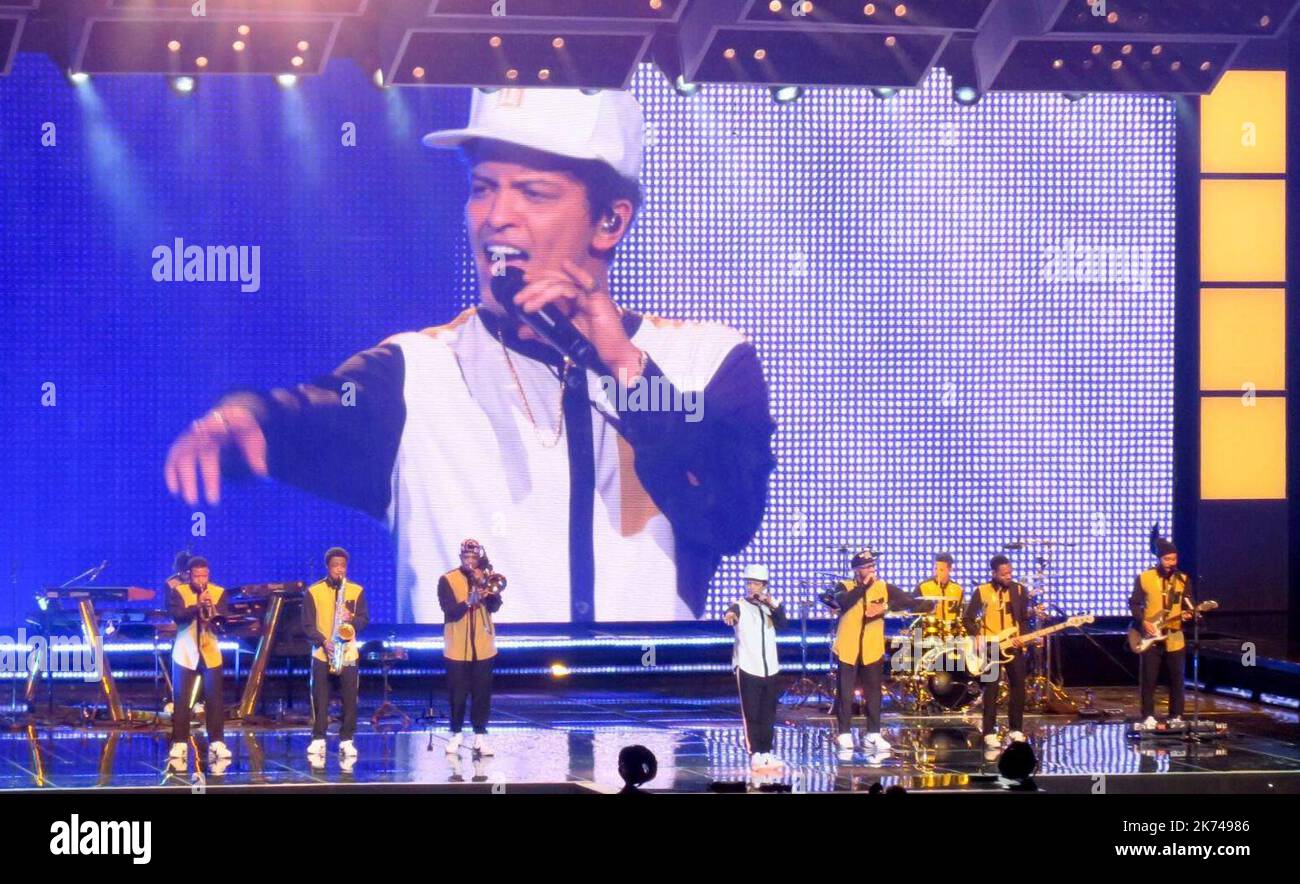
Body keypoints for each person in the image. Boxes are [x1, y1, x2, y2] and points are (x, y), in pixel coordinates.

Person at [163, 87, 775, 624]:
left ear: (611, 222)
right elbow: (297, 416)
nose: (496, 218)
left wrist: (621, 361)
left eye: (533, 193)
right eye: (483, 190)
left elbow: (727, 510)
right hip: (465, 741)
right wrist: (240, 418)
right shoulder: (415, 372)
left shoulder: (707, 359)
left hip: (649, 746)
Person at [831, 550, 934, 755]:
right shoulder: (845, 586)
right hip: (848, 647)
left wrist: (885, 607)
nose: (872, 570)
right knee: (845, 691)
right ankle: (844, 732)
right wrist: (863, 587)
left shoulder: (883, 587)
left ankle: (873, 733)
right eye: (867, 567)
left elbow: (910, 601)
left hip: (872, 647)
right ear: (857, 570)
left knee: (874, 692)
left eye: (872, 566)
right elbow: (843, 602)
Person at [302, 547, 369, 760]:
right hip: (322, 652)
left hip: (348, 652)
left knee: (350, 698)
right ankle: (319, 738)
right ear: (328, 567)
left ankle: (347, 739)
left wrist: (352, 620)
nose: (339, 569)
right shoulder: (314, 591)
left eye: (342, 565)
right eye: (335, 566)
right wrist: (323, 641)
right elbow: (307, 625)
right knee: (320, 698)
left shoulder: (356, 590)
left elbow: (364, 619)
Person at [439, 539, 503, 755]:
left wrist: (485, 589)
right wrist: (468, 601)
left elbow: (495, 607)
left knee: (482, 694)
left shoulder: (485, 578)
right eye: (466, 557)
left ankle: (480, 736)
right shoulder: (447, 579)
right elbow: (449, 611)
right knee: (457, 695)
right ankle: (456, 734)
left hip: (483, 646)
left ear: (479, 560)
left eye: (474, 558)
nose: (470, 561)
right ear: (461, 558)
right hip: (457, 647)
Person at [166, 557, 232, 764]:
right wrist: (197, 606)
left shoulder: (219, 592)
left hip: (210, 650)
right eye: (197, 576)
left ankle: (217, 742)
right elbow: (177, 616)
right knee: (182, 700)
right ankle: (179, 742)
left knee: (214, 699)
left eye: (204, 575)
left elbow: (222, 621)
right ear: (189, 575)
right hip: (185, 651)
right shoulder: (179, 591)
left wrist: (212, 612)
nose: (201, 580)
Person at [964, 555, 1032, 750]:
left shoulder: (1019, 590)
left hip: (1013, 644)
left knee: (1018, 686)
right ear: (994, 573)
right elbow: (967, 618)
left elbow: (1024, 619)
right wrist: (976, 636)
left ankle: (1015, 729)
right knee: (991, 689)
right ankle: (989, 732)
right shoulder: (982, 591)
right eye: (1004, 574)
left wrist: (1024, 637)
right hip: (990, 645)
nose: (1008, 576)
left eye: (1010, 572)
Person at [723, 563, 786, 771]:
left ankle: (767, 751)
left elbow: (783, 623)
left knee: (768, 711)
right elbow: (731, 613)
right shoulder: (739, 605)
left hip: (770, 667)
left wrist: (772, 604)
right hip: (748, 665)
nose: (752, 587)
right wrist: (730, 616)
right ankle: (755, 752)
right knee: (752, 712)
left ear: (764, 585)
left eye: (756, 584)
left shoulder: (771, 606)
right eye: (749, 583)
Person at [1130, 534, 1194, 730]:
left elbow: (1187, 605)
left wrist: (1188, 615)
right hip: (1151, 635)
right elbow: (1134, 603)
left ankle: (1176, 715)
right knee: (1149, 678)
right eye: (1167, 559)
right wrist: (1143, 622)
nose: (1171, 563)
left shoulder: (1182, 580)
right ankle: (1148, 715)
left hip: (1174, 634)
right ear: (1158, 558)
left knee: (1177, 677)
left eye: (1174, 559)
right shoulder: (1145, 578)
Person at [912, 552, 964, 625]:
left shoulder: (958, 589)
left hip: (949, 631)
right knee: (917, 632)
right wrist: (917, 635)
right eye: (935, 568)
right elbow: (914, 615)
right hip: (926, 629)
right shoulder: (922, 587)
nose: (937, 572)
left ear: (950, 570)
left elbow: (960, 615)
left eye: (941, 570)